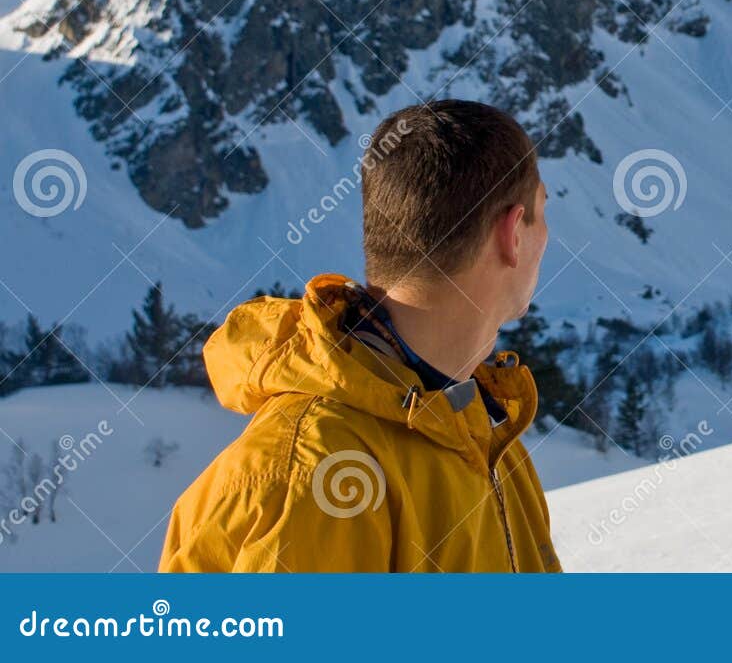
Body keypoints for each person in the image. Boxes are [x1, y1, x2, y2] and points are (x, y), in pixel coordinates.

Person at [160, 100, 561, 572]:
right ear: (512, 234)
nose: (548, 236)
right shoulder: (315, 474)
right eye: (541, 213)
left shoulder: (483, 436)